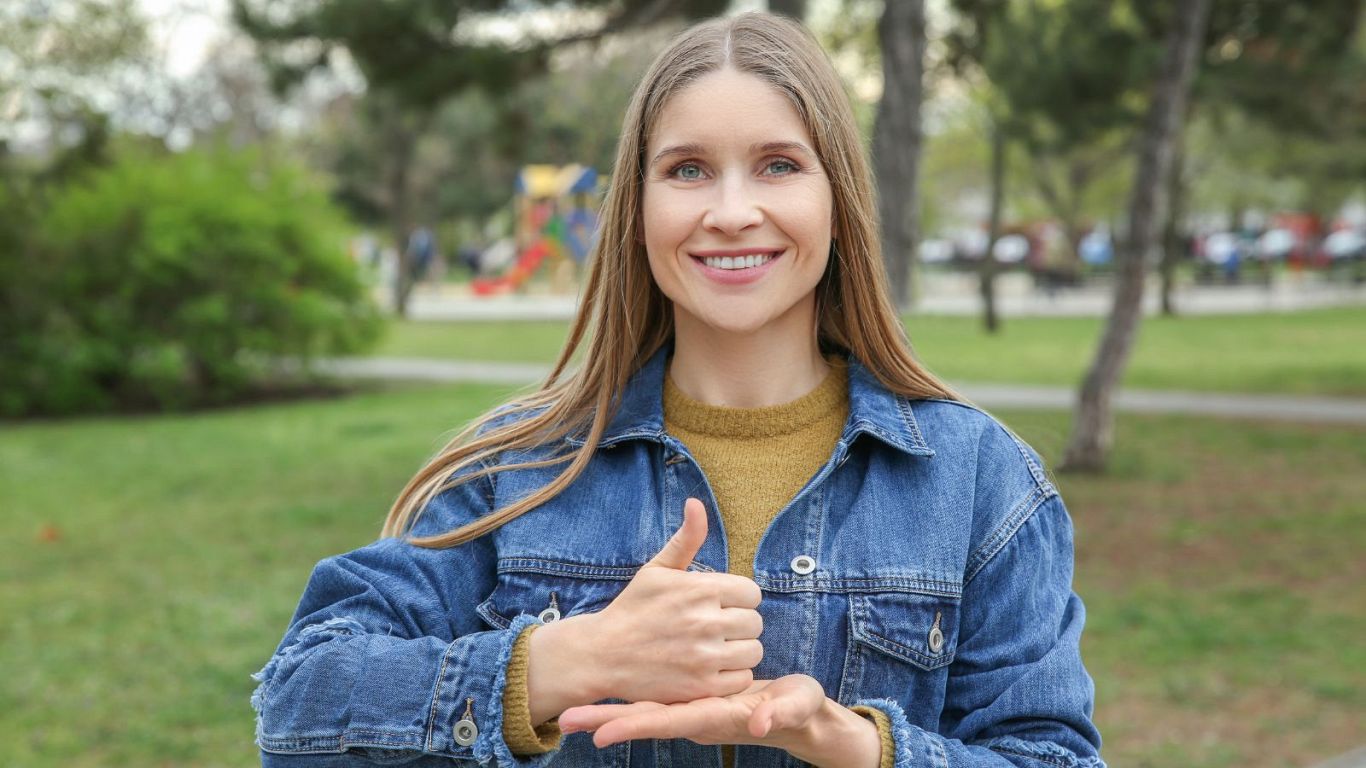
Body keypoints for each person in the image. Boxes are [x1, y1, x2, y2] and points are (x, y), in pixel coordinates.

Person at [251, 12, 1104, 768]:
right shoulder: (518, 470)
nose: (731, 211)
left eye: (778, 165)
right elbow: (296, 709)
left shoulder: (981, 481)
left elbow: (1050, 755)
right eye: (688, 170)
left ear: (838, 199)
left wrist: (855, 745)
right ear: (637, 208)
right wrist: (572, 659)